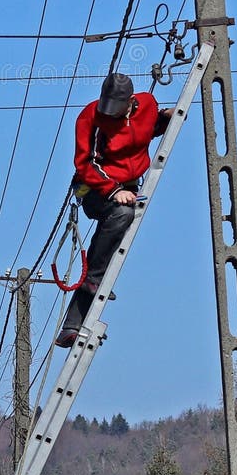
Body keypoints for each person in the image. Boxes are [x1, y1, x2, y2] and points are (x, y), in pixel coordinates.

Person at [55, 72, 173, 348]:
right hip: (91, 186)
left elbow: (141, 134)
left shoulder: (147, 105)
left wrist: (164, 121)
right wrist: (113, 191)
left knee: (114, 229)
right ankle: (93, 283)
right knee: (120, 214)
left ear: (131, 102)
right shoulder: (90, 117)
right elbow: (85, 163)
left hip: (127, 185)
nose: (109, 114)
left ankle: (72, 324)